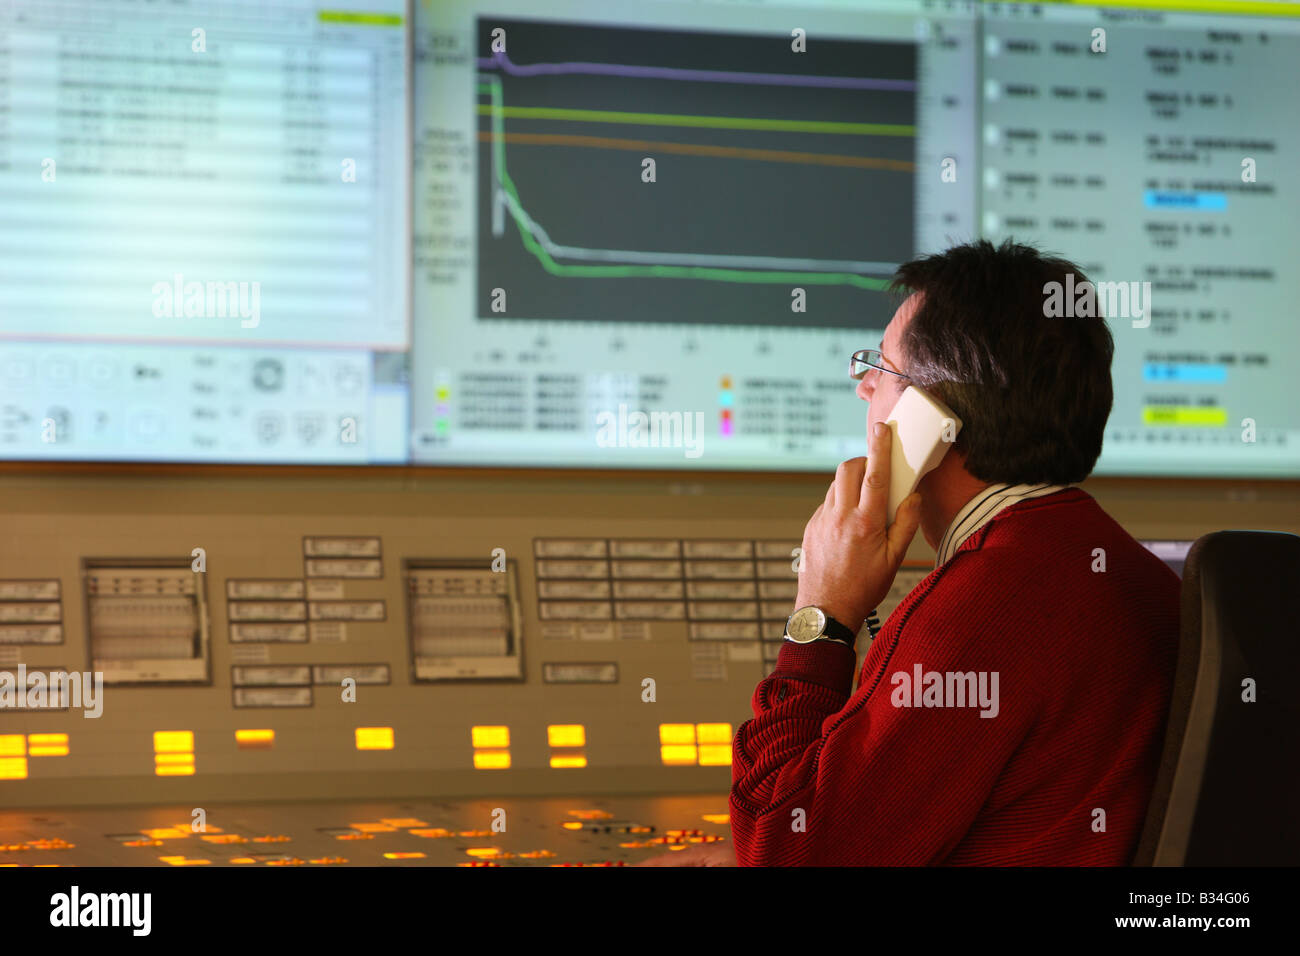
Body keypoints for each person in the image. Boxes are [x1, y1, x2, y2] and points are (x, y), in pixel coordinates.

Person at [638, 238, 1179, 866]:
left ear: (931, 420)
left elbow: (784, 853)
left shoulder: (984, 607)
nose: (866, 389)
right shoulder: (1124, 569)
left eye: (884, 370)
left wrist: (822, 616)